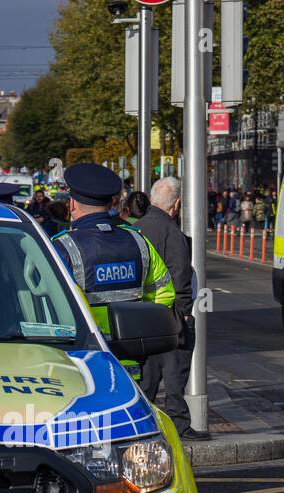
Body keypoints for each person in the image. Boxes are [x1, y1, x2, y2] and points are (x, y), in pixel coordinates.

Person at [49, 163, 176, 361]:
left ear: (72, 204)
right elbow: (163, 293)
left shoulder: (62, 247)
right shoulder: (139, 241)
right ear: (112, 202)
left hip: (82, 359)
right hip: (131, 359)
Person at [135, 177, 208, 442]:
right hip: (172, 316)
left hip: (141, 315)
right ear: (176, 204)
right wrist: (186, 311)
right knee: (176, 372)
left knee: (149, 375)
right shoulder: (171, 232)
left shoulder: (136, 229)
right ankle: (178, 424)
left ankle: (143, 424)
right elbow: (181, 274)